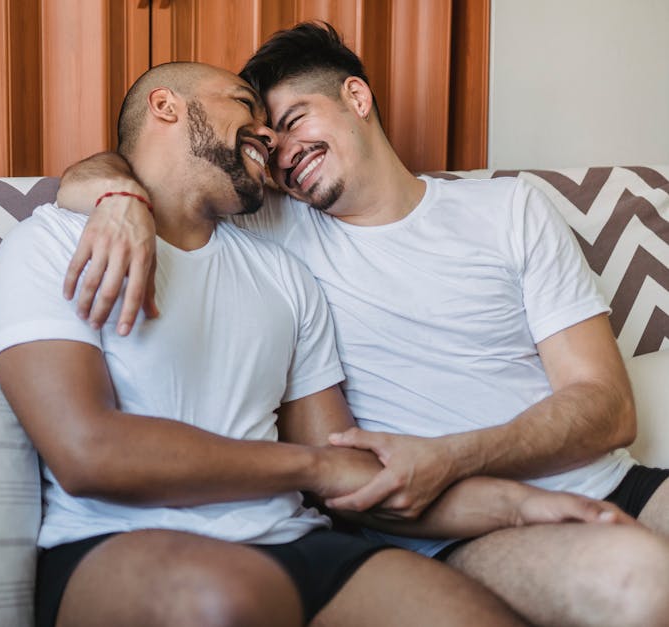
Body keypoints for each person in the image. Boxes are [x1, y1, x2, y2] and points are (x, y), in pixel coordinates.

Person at [54, 23, 669, 627]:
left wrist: (454, 455)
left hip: (617, 480)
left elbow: (609, 408)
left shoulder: (509, 207)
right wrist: (117, 198)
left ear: (357, 96)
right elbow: (151, 161)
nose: (282, 155)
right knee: (643, 581)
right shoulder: (270, 229)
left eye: (294, 122)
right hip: (453, 530)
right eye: (268, 144)